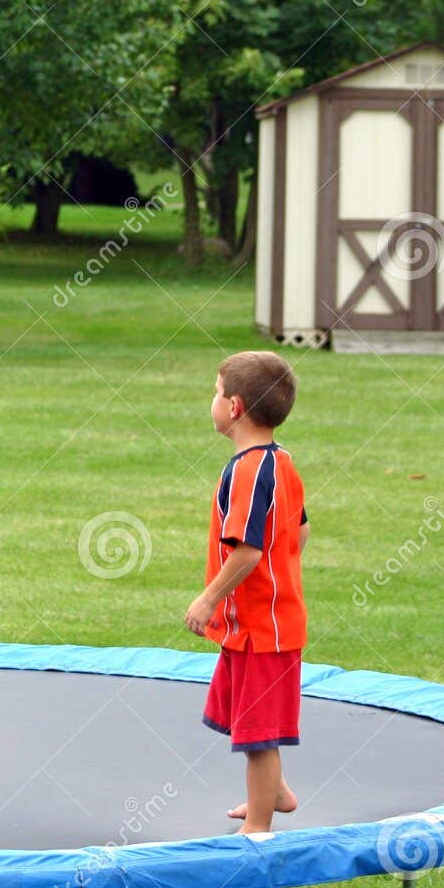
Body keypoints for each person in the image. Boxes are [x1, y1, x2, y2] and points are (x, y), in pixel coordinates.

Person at [183, 351, 308, 833]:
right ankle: (274, 793)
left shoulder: (250, 471)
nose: (212, 401)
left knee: (260, 735)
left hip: (263, 629)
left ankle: (258, 827)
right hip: (258, 624)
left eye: (215, 393)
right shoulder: (281, 462)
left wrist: (208, 598)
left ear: (234, 407)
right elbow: (298, 533)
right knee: (242, 714)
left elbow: (249, 550)